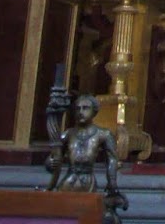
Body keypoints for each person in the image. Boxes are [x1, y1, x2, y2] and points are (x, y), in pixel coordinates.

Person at [46, 93, 126, 222]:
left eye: (85, 108)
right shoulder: (68, 134)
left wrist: (112, 181)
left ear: (94, 111)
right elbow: (54, 156)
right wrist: (50, 163)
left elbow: (112, 159)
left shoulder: (103, 134)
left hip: (88, 182)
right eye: (78, 108)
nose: (81, 112)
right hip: (68, 181)